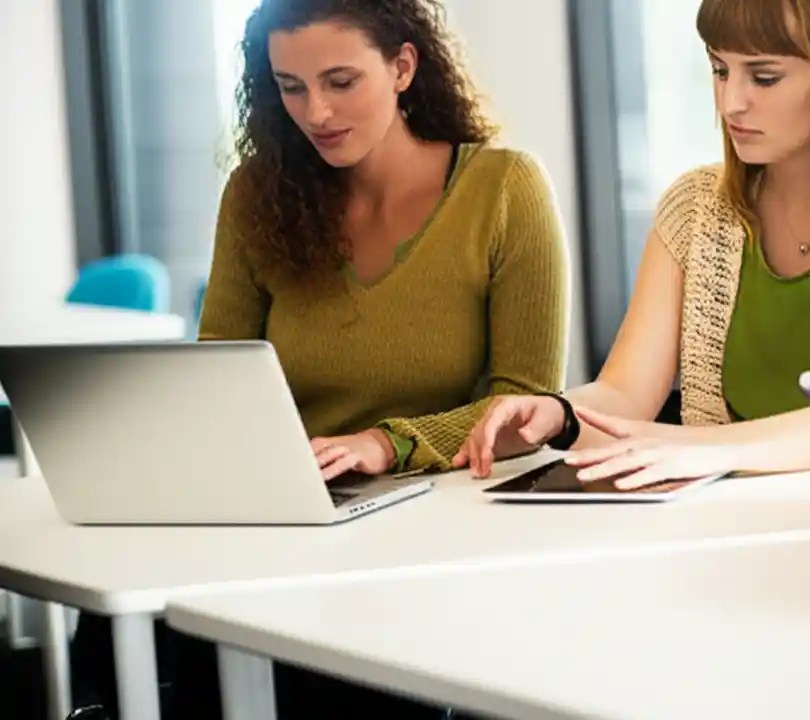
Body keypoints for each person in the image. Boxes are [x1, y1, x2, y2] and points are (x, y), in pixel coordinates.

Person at [71, 0, 566, 717]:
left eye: (340, 80)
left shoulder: (505, 190)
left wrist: (385, 444)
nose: (316, 111)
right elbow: (218, 370)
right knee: (124, 616)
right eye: (290, 86)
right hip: (284, 514)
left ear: (403, 66)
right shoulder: (256, 195)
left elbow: (523, 410)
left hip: (428, 528)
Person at [458, 0, 810, 488]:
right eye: (720, 70)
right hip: (725, 534)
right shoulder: (693, 208)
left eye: (764, 77)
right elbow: (624, 396)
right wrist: (559, 415)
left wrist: (706, 448)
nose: (730, 102)